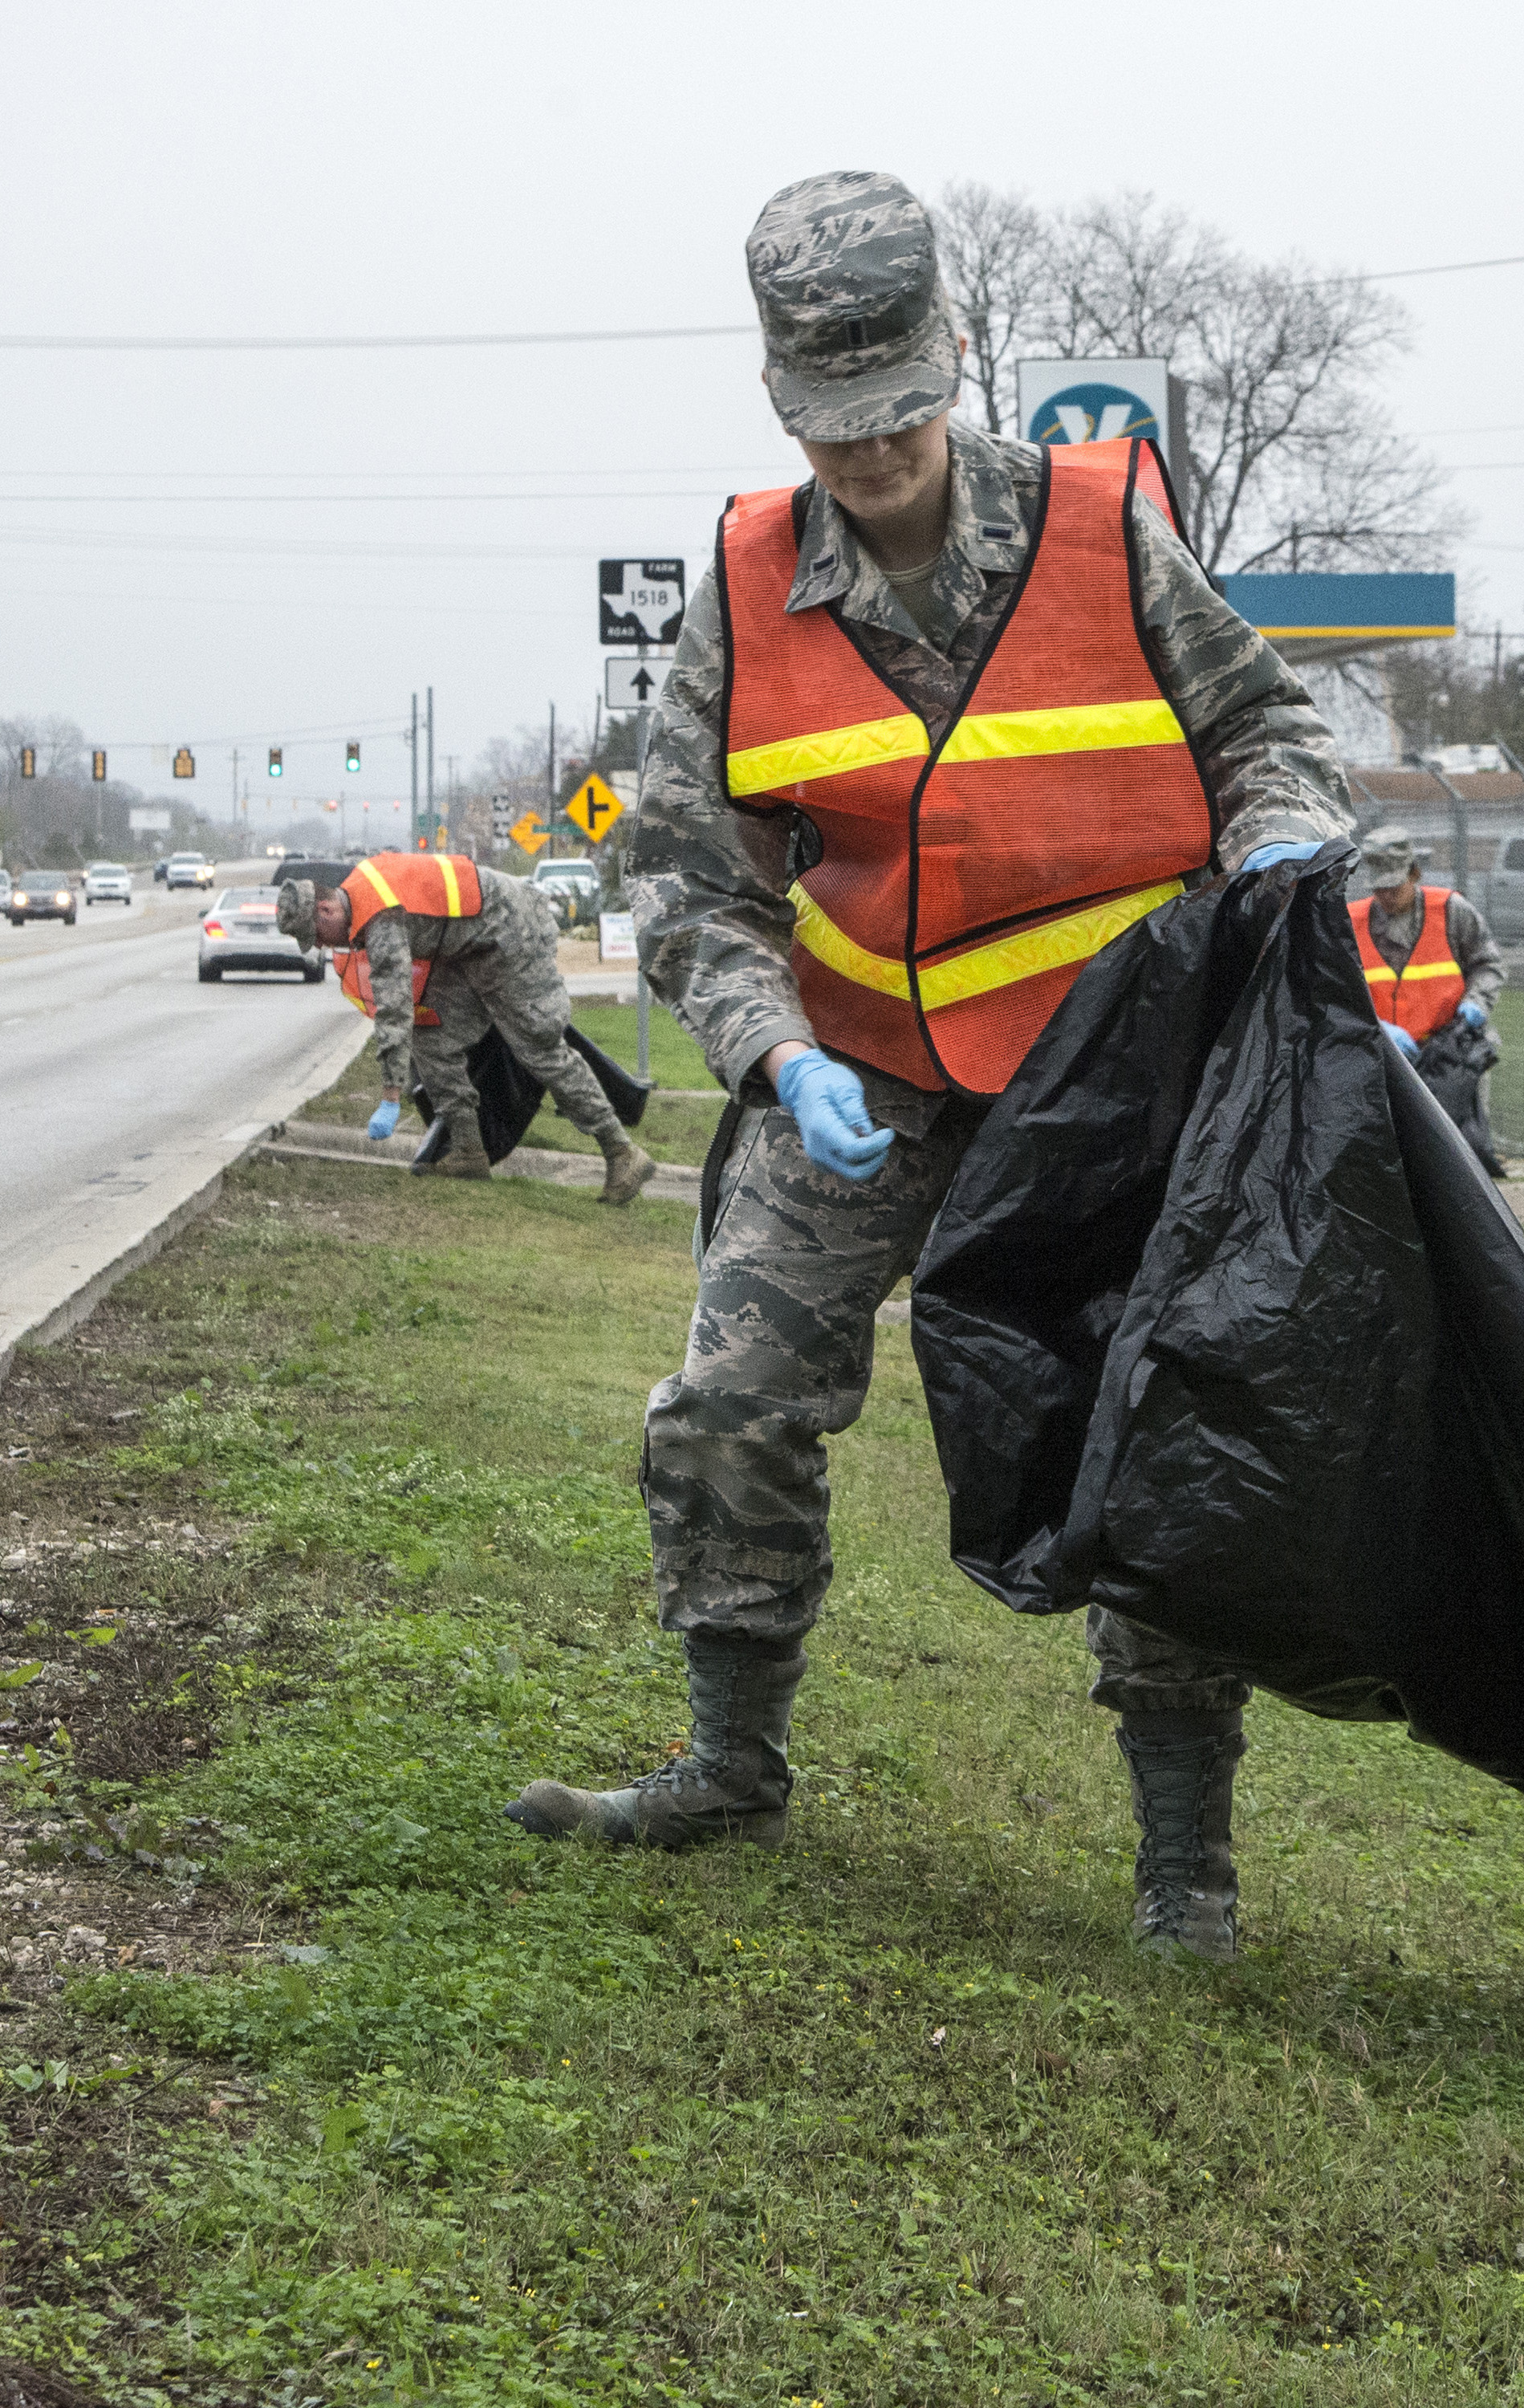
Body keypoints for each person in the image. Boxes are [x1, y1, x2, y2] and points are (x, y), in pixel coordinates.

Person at [504, 170, 1359, 1963]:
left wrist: (1279, 835)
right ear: (778, 395)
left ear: (953, 358)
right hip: (860, 1068)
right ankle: (731, 1763)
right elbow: (681, 877)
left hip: (1108, 1082)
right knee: (728, 1400)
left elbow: (1266, 728)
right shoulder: (747, 582)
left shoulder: (1102, 524)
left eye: (900, 408)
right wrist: (770, 1051)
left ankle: (1183, 1860)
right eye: (836, 421)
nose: (875, 450)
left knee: (1160, 1417)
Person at [277, 852, 656, 1206]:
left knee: (539, 1047)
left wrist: (391, 1096)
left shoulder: (379, 915)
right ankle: (468, 1151)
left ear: (326, 908)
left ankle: (622, 1153)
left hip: (510, 932)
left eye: (318, 936)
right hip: (464, 946)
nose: (324, 947)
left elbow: (394, 1009)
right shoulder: (360, 889)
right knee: (431, 1034)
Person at [1349, 823, 1504, 1061]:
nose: (1387, 896)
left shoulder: (1451, 911)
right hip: (1381, 1057)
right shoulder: (1351, 923)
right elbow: (1336, 994)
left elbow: (1488, 965)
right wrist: (1376, 1029)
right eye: (1380, 889)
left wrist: (1477, 1003)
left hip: (1450, 1057)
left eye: (1394, 887)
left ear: (1414, 874)